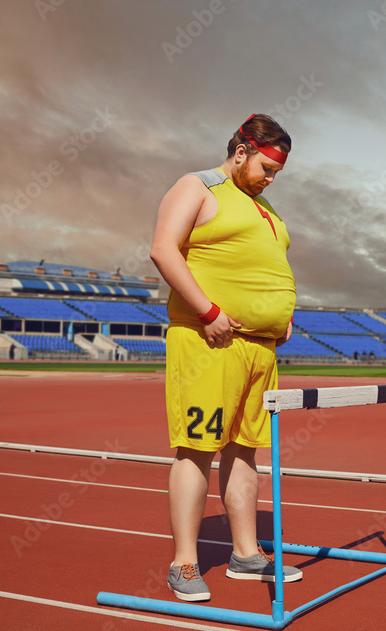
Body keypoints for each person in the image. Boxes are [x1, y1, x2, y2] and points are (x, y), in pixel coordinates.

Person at [149, 113, 300, 603]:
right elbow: (163, 250)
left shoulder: (265, 206)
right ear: (241, 152)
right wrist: (208, 310)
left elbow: (265, 266)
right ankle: (185, 563)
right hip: (210, 341)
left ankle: (245, 554)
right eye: (265, 168)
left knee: (244, 450)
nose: (269, 178)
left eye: (276, 173)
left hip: (260, 348)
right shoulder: (197, 185)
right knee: (197, 447)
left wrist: (281, 315)